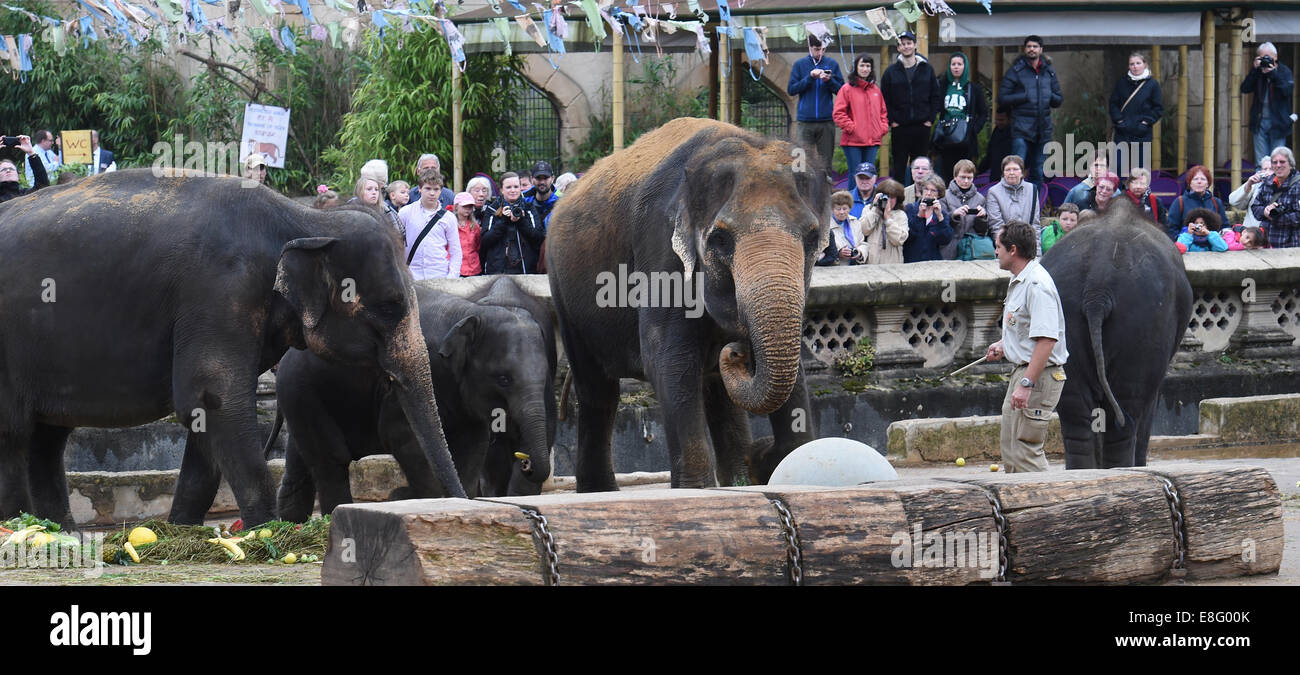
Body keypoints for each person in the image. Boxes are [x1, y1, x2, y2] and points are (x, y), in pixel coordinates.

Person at [984, 219, 1069, 473]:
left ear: (1012, 250)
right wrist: (1005, 344)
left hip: (1038, 377)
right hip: (1025, 372)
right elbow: (1030, 330)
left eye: (998, 246)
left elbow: (1047, 339)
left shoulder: (1036, 284)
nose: (995, 251)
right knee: (1012, 451)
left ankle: (1048, 510)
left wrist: (1026, 384)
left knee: (1025, 452)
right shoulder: (1021, 279)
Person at [999, 35, 1062, 185]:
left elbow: (1058, 99)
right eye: (1029, 46)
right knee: (1015, 170)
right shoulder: (1016, 70)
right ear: (1024, 49)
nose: (1031, 49)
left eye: (1035, 46)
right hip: (1021, 129)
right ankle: (1013, 205)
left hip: (1043, 130)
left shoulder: (1048, 72)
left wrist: (1049, 96)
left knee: (1038, 172)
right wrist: (1024, 96)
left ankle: (1034, 206)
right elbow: (1002, 98)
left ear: (1041, 49)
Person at [880, 30, 941, 186]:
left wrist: (930, 118)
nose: (906, 46)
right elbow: (884, 99)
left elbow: (935, 95)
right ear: (898, 48)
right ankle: (899, 200)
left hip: (922, 126)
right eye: (902, 44)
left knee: (920, 168)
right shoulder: (890, 72)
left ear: (914, 45)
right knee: (899, 167)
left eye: (909, 43)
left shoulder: (927, 69)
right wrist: (892, 120)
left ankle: (919, 200)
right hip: (900, 127)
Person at [787, 34, 845, 177]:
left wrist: (829, 81)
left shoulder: (832, 64)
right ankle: (800, 190)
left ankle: (825, 193)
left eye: (822, 50)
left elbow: (842, 90)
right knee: (800, 161)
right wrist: (810, 78)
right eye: (816, 49)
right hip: (804, 122)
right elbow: (791, 89)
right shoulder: (800, 65)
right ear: (810, 47)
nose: (819, 53)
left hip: (826, 122)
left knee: (825, 162)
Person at [935, 51, 988, 181]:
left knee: (964, 173)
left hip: (965, 139)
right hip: (946, 138)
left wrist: (973, 130)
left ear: (965, 67)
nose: (956, 67)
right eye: (953, 64)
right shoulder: (942, 86)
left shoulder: (973, 88)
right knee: (947, 174)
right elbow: (935, 107)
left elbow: (983, 113)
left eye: (959, 64)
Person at [401, 169, 462, 279]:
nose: (432, 193)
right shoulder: (405, 212)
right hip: (412, 274)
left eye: (436, 189)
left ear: (441, 191)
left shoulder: (449, 217)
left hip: (439, 274)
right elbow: (397, 244)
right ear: (419, 189)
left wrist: (452, 277)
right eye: (428, 188)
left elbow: (455, 250)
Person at [1241, 42, 1295, 167]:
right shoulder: (1258, 72)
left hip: (1279, 122)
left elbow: (1287, 91)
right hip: (1260, 121)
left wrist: (1273, 74)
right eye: (1262, 57)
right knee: (1261, 161)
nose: (1265, 60)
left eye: (1268, 57)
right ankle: (1261, 185)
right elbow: (1245, 88)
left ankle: (1278, 185)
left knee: (1278, 161)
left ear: (1275, 57)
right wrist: (1255, 70)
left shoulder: (1283, 71)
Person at [833, 53, 889, 171]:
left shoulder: (876, 90)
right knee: (855, 176)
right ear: (856, 67)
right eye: (862, 65)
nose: (865, 69)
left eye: (868, 66)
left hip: (873, 142)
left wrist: (882, 128)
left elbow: (883, 113)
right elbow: (838, 113)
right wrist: (853, 128)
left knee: (869, 176)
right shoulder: (847, 89)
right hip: (853, 142)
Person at [482, 171, 544, 274]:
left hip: (526, 270)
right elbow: (485, 241)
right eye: (508, 187)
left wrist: (522, 221)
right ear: (502, 190)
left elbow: (539, 239)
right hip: (498, 270)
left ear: (520, 188)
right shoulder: (492, 209)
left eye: (516, 186)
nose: (513, 190)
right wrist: (503, 221)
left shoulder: (529, 208)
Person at [1109, 51, 1163, 153]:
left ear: (1145, 64)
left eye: (1138, 63)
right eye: (1132, 64)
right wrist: (1119, 120)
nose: (1135, 67)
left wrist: (1145, 122)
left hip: (1142, 133)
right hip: (1122, 131)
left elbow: (1158, 108)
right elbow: (1113, 104)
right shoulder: (1121, 82)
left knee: (1140, 167)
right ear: (1128, 66)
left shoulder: (1152, 84)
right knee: (1119, 166)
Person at [985, 155, 1042, 251]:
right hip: (1006, 247)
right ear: (1003, 173)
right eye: (1008, 170)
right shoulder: (993, 192)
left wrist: (1036, 252)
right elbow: (996, 226)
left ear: (1022, 172)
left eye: (1015, 169)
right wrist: (1010, 249)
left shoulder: (1032, 189)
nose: (1011, 173)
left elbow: (1035, 224)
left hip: (1028, 245)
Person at [1252, 146, 1300, 248]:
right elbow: (1255, 206)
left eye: (1282, 162)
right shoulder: (1267, 182)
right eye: (1274, 162)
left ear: (1291, 164)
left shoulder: (1298, 185)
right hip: (1265, 243)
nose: (1278, 165)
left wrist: (1277, 217)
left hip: (1290, 245)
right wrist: (1265, 211)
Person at [940, 159, 988, 260]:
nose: (966, 181)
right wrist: (954, 215)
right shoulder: (944, 196)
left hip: (971, 248)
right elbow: (939, 225)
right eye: (963, 177)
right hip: (949, 248)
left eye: (969, 178)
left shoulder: (980, 198)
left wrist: (982, 218)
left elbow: (982, 231)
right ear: (955, 177)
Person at [1165, 164, 1227, 240]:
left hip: (1213, 245)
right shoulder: (1180, 202)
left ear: (1208, 183)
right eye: (1195, 179)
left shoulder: (1216, 202)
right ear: (1190, 183)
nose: (1199, 182)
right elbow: (1171, 228)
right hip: (1187, 245)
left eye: (1203, 179)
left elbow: (1225, 226)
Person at [855, 178, 908, 264]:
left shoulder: (900, 215)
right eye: (886, 197)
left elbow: (898, 240)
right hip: (871, 263)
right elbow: (863, 231)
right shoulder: (869, 209)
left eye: (892, 197)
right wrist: (875, 210)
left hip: (893, 264)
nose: (888, 201)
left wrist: (888, 218)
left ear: (898, 198)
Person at [903, 175, 953, 262]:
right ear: (922, 190)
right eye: (926, 189)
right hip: (911, 261)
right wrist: (919, 215)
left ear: (939, 194)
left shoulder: (942, 214)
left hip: (933, 262)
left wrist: (940, 216)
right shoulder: (910, 209)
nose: (928, 193)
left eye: (933, 190)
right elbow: (907, 236)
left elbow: (945, 240)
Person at [817, 190, 862, 266]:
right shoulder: (825, 226)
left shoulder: (855, 222)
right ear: (832, 209)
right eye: (838, 209)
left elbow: (863, 243)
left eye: (845, 209)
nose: (841, 212)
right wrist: (838, 253)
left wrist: (859, 252)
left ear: (850, 208)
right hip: (836, 269)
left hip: (856, 267)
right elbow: (821, 251)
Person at [0, 135, 48, 203]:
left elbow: (43, 185)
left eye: (12, 169)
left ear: (18, 176)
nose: (8, 170)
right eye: (3, 169)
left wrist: (31, 153)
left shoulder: (27, 195)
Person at [979, 104, 1014, 184]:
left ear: (1009, 119)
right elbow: (990, 155)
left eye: (1001, 120)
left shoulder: (1013, 135)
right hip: (995, 177)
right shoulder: (996, 132)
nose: (998, 123)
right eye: (997, 120)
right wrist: (979, 169)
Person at [1230, 165, 1269, 230]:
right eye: (1265, 169)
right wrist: (1248, 184)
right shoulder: (1256, 185)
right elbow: (1233, 201)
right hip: (1250, 234)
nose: (1267, 172)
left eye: (1271, 169)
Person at [453, 191, 483, 277]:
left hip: (474, 268)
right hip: (457, 268)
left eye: (470, 207)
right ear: (456, 207)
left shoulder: (475, 226)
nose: (468, 209)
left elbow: (478, 245)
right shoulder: (450, 224)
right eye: (464, 206)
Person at [523, 160, 560, 226]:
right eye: (538, 178)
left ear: (552, 179)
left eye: (545, 178)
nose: (542, 182)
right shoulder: (523, 200)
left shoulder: (561, 202)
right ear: (532, 179)